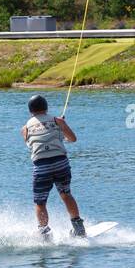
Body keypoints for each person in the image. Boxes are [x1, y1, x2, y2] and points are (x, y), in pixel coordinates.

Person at [21, 93, 86, 240]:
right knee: (66, 194)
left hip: (41, 166)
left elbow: (31, 144)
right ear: (46, 107)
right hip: (60, 163)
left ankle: (44, 233)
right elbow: (73, 139)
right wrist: (61, 127)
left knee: (40, 201)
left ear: (30, 110)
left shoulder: (24, 128)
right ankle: (78, 228)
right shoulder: (57, 121)